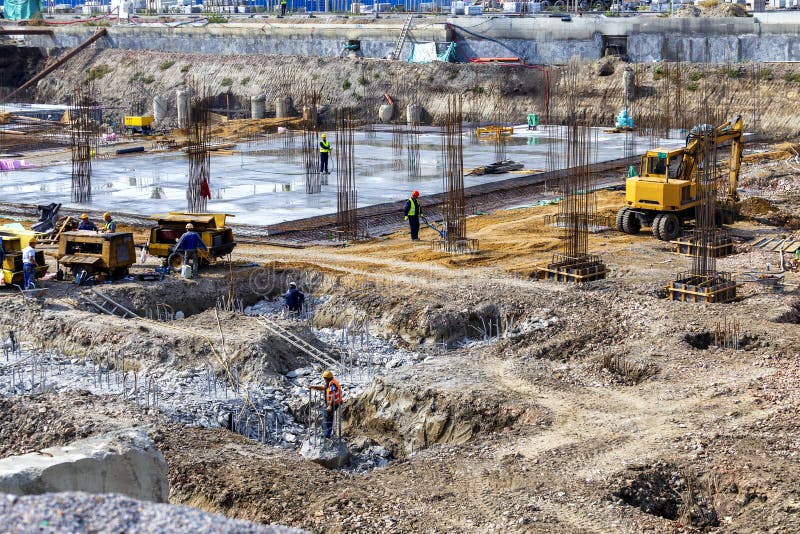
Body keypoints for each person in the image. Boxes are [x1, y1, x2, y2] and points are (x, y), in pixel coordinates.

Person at [308, 369, 343, 439]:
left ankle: (327, 435)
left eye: (324, 378)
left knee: (328, 419)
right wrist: (313, 387)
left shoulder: (332, 384)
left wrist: (329, 406)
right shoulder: (330, 382)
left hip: (333, 404)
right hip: (334, 403)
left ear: (327, 378)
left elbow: (333, 394)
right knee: (326, 418)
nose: (324, 380)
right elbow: (323, 388)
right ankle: (326, 433)